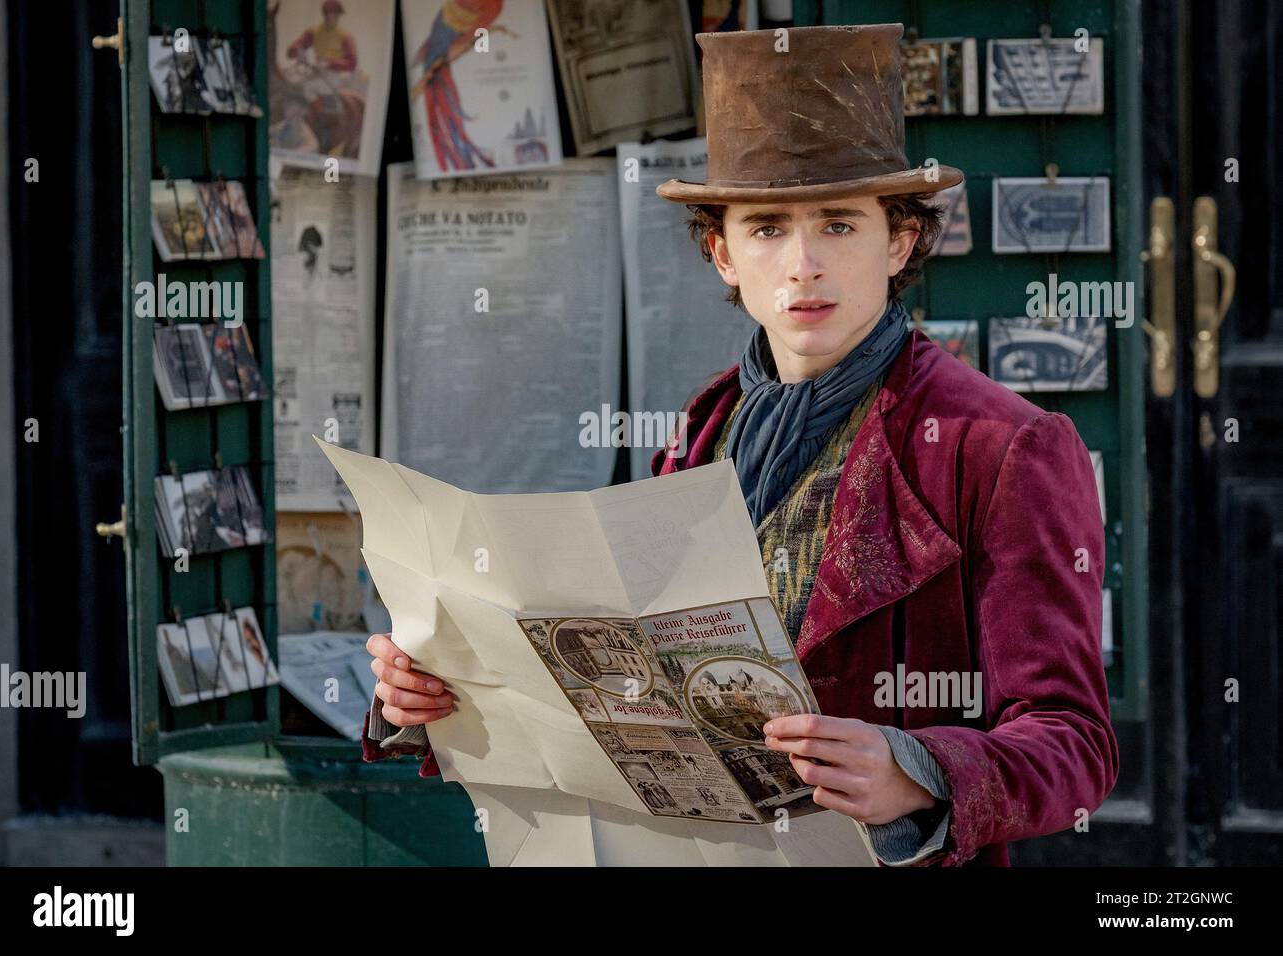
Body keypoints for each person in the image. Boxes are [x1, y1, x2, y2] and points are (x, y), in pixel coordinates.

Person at [364, 23, 1118, 867]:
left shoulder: (1002, 447)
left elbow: (1075, 744)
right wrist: (434, 695)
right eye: (765, 229)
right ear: (721, 252)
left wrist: (918, 768)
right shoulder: (704, 429)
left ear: (899, 240)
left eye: (839, 225)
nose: (802, 264)